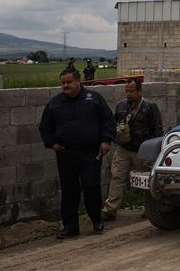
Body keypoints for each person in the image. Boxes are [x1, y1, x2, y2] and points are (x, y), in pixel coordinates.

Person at [38, 68, 115, 239]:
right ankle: (70, 227)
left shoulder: (94, 99)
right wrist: (52, 144)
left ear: (78, 81)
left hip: (91, 152)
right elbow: (45, 127)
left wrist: (106, 140)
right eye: (63, 83)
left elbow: (108, 120)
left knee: (91, 185)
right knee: (69, 189)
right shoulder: (54, 103)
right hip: (66, 154)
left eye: (69, 82)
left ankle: (96, 220)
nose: (65, 86)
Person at [102, 78, 163, 221]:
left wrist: (152, 151)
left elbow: (158, 130)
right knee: (117, 177)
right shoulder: (121, 106)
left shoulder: (150, 107)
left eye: (132, 91)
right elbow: (114, 124)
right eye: (127, 91)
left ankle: (150, 208)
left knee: (147, 180)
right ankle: (110, 210)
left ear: (140, 91)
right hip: (123, 149)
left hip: (143, 151)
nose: (128, 94)